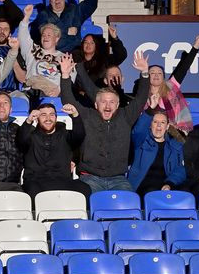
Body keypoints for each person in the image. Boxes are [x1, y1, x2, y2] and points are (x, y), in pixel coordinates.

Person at [59, 51, 150, 193]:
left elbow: (141, 98)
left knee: (130, 203)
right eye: (103, 102)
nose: (108, 106)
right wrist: (65, 76)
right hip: (90, 178)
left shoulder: (125, 116)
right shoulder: (87, 115)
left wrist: (144, 72)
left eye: (112, 102)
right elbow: (68, 102)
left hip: (118, 179)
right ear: (96, 105)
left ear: (118, 104)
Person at [16, 103, 90, 198]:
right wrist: (29, 120)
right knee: (32, 192)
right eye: (43, 115)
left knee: (85, 189)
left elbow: (79, 135)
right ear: (37, 118)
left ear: (56, 117)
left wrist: (75, 115)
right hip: (36, 181)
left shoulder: (65, 135)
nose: (48, 118)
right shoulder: (31, 136)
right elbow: (21, 140)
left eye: (52, 114)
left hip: (63, 181)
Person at [144, 35, 199, 132]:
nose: (156, 75)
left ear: (164, 78)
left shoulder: (170, 87)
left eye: (159, 73)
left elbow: (183, 68)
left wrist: (195, 48)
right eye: (152, 73)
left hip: (173, 132)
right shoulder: (142, 94)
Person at [127, 111, 186, 197]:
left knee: (185, 192)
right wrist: (149, 110)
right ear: (150, 125)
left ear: (167, 126)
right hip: (144, 185)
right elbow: (138, 131)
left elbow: (181, 169)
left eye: (162, 122)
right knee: (152, 193)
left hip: (167, 184)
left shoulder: (175, 145)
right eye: (155, 122)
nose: (158, 125)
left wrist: (170, 183)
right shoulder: (141, 142)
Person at [31, 0, 99, 53]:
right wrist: (66, 31)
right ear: (50, 1)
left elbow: (89, 6)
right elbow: (44, 30)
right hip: (52, 54)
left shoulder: (75, 10)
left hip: (73, 54)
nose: (56, 0)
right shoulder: (43, 14)